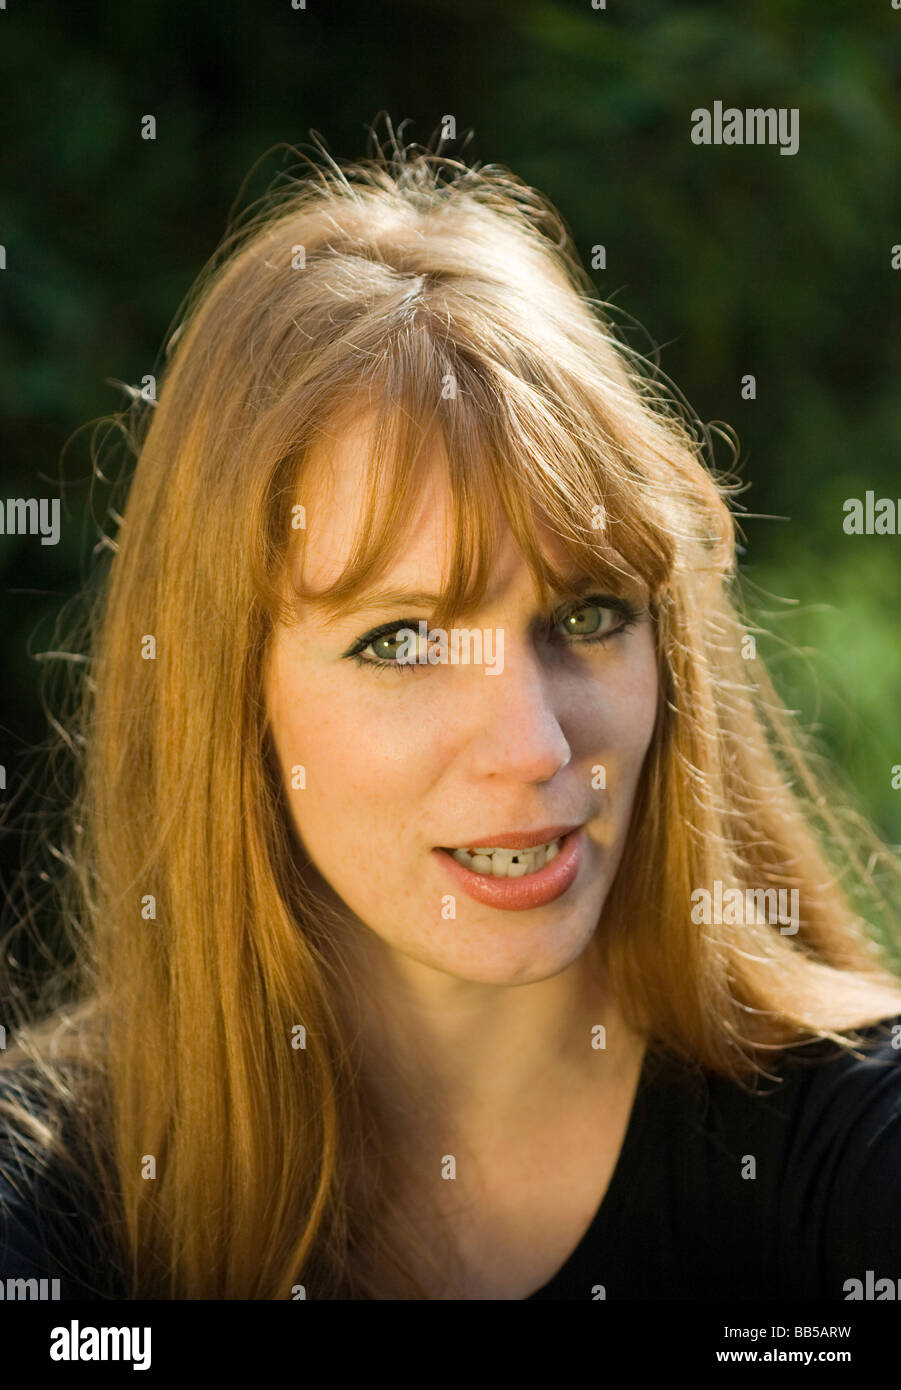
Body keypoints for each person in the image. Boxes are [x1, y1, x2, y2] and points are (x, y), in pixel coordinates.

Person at [2, 124, 901, 1301]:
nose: (536, 748)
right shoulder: (59, 1204)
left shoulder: (849, 1143)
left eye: (585, 617)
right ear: (224, 697)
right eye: (404, 639)